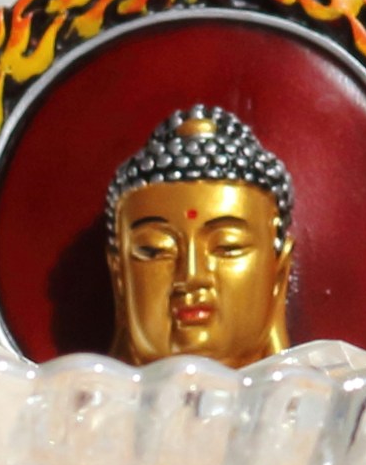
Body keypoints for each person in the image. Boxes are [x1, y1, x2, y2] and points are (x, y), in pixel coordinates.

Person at [105, 105, 298, 365]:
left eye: (227, 246)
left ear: (279, 272)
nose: (191, 276)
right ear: (120, 278)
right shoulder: (62, 402)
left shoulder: (335, 404)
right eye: (155, 249)